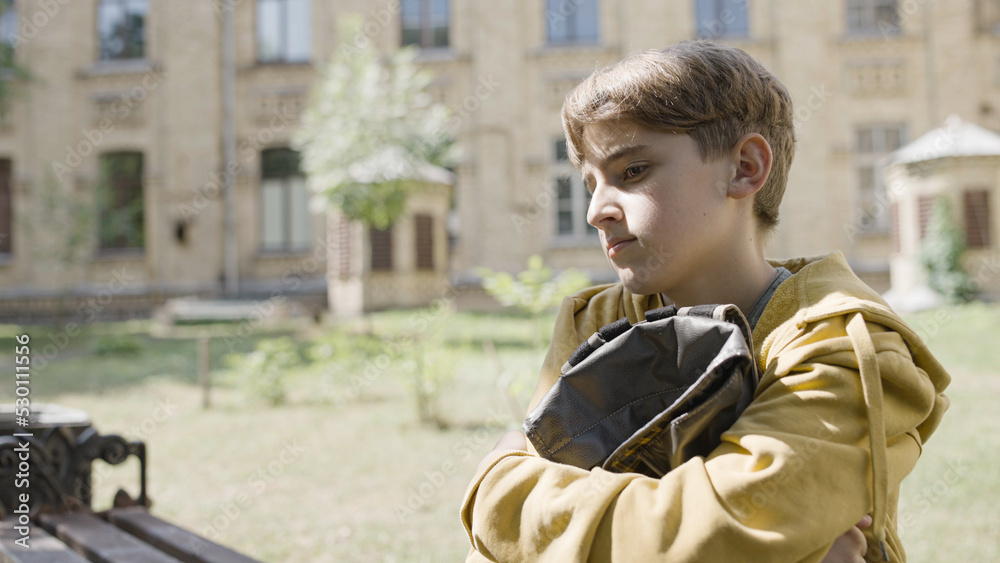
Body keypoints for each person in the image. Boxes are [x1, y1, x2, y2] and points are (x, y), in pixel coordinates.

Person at [459, 41, 951, 562]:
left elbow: (727, 529)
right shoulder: (597, 325)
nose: (596, 211)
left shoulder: (843, 343)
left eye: (632, 172)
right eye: (589, 183)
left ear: (744, 167)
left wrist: (501, 488)